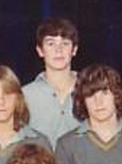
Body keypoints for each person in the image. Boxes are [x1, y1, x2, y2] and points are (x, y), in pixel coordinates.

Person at [22, 17, 80, 146]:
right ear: (40, 51)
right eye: (51, 43)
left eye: (65, 43)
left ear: (74, 50)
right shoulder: (25, 95)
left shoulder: (91, 91)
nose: (58, 50)